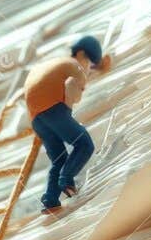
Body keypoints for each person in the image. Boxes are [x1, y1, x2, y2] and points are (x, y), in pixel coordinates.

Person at [23, 34, 112, 215]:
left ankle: (50, 200)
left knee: (59, 159)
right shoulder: (74, 65)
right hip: (53, 110)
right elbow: (77, 94)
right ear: (80, 53)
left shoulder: (54, 63)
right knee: (84, 144)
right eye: (88, 61)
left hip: (36, 119)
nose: (88, 66)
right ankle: (67, 179)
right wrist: (99, 68)